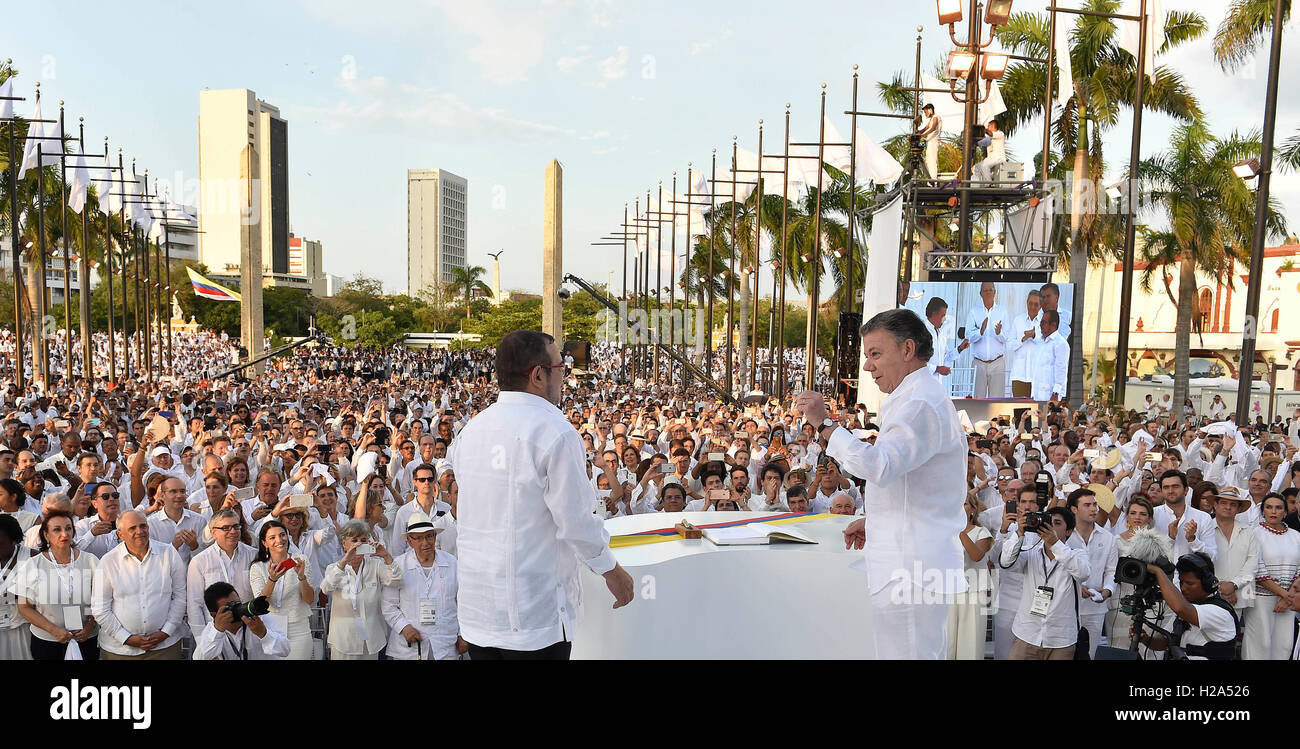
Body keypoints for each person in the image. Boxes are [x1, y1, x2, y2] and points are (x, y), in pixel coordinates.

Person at [795, 308, 967, 659]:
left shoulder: (920, 402)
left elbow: (880, 466)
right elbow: (914, 487)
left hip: (910, 570)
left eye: (876, 354)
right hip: (907, 563)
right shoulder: (914, 398)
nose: (868, 366)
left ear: (907, 350)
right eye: (867, 356)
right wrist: (878, 522)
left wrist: (824, 424)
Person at [450, 330, 633, 660]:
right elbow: (576, 523)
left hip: (480, 613)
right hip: (534, 617)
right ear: (538, 375)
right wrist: (613, 572)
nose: (565, 375)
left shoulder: (472, 431)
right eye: (562, 366)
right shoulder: (555, 432)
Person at [89, 509, 188, 660]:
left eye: (143, 526)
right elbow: (100, 609)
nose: (140, 531)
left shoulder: (168, 553)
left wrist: (166, 632)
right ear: (120, 535)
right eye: (132, 528)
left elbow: (180, 596)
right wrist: (126, 638)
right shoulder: (108, 561)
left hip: (165, 647)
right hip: (120, 650)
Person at [1000, 507, 1092, 659]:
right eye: (1048, 521)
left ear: (1069, 531)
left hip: (1061, 640)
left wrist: (1055, 543)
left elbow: (1083, 573)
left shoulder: (1077, 554)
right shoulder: (1030, 553)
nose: (1050, 526)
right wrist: (1019, 533)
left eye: (1056, 523)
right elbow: (1006, 562)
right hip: (1027, 634)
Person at [14, 510, 99, 660]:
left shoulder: (90, 561)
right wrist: (52, 629)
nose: (64, 534)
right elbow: (24, 607)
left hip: (85, 638)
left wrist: (90, 625)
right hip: (47, 640)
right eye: (57, 529)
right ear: (46, 535)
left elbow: (99, 599)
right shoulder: (33, 565)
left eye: (68, 528)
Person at [382, 512, 466, 660]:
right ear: (409, 541)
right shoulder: (399, 566)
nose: (425, 542)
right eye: (419, 538)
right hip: (409, 647)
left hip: (446, 643)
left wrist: (462, 635)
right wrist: (404, 627)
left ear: (435, 536)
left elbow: (464, 603)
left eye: (429, 536)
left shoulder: (452, 563)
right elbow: (388, 604)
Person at [1133, 553, 1239, 660]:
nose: (1183, 588)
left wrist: (1158, 571)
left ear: (1208, 582)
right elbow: (1165, 642)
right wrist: (1145, 639)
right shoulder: (1189, 607)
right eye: (1181, 582)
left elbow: (1180, 608)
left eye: (1189, 583)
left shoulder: (1219, 612)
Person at [321, 519, 400, 660]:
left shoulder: (376, 565)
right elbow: (326, 589)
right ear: (344, 543)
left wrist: (386, 556)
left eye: (363, 540)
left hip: (371, 637)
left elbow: (395, 581)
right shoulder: (334, 568)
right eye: (354, 539)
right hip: (343, 638)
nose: (358, 544)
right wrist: (344, 561)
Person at [249, 520, 317, 660]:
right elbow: (261, 604)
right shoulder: (258, 567)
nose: (279, 540)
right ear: (264, 543)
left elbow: (309, 600)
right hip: (270, 628)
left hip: (298, 628)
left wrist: (301, 577)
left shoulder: (301, 561)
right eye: (272, 537)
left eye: (282, 535)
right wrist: (272, 580)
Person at [1243, 494, 1300, 660]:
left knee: (1284, 644)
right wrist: (1284, 595)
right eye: (1269, 507)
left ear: (1285, 511)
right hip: (1261, 600)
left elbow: (1299, 570)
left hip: (1289, 601)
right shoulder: (1254, 534)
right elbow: (1257, 570)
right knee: (1260, 643)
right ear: (1263, 511)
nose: (1273, 511)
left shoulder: (1296, 536)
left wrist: (1287, 597)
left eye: (1278, 507)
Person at [186, 509, 257, 639]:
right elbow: (194, 605)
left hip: (249, 629)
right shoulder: (200, 561)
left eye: (236, 526)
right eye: (226, 528)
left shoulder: (253, 555)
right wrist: (202, 641)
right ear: (213, 532)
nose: (233, 531)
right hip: (215, 631)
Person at [1066, 487, 1118, 658]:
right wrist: (1075, 587)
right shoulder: (1064, 536)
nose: (1093, 508)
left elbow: (1111, 570)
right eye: (1087, 505)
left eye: (1095, 504)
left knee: (1091, 654)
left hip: (1096, 608)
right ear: (1074, 509)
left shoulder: (1108, 537)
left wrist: (1108, 590)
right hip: (1067, 607)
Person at [192, 581, 290, 660]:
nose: (237, 609)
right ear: (214, 615)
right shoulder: (212, 629)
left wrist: (263, 633)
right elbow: (199, 658)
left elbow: (285, 650)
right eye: (229, 608)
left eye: (238, 604)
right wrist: (218, 631)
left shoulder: (258, 619)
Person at [948, 493, 993, 660]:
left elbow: (976, 555)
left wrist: (959, 530)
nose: (960, 508)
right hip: (948, 591)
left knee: (970, 644)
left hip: (974, 593)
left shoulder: (982, 532)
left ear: (973, 509)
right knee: (948, 643)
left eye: (965, 504)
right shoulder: (945, 533)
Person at [1210, 487, 1260, 625]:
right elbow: (1202, 559)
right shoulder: (1206, 528)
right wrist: (1221, 587)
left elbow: (1252, 563)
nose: (1228, 507)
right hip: (1209, 593)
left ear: (1238, 509)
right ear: (1216, 504)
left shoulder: (1248, 531)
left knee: (1230, 637)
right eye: (1224, 503)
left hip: (1240, 594)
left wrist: (1233, 585)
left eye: (1233, 504)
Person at [962, 282, 1008, 399]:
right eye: (985, 290)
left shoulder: (1002, 311)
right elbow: (968, 336)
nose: (988, 293)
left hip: (997, 363)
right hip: (979, 363)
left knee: (997, 402)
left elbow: (1006, 338)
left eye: (990, 290)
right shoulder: (974, 311)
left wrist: (999, 333)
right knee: (977, 400)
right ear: (980, 293)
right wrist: (980, 332)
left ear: (995, 292)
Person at [0, 515, 29, 659]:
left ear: (13, 539)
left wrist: (10, 596)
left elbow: (40, 594)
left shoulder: (31, 557)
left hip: (24, 626)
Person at [1006, 290, 1042, 399]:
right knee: (1020, 412)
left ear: (1040, 306)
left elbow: (1047, 343)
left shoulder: (1044, 321)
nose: (1032, 307)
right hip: (1019, 376)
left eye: (1036, 304)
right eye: (1030, 303)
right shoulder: (1018, 320)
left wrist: (1034, 335)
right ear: (1026, 302)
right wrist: (1022, 339)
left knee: (1037, 413)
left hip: (1037, 377)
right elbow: (1009, 345)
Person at [1030, 310, 1069, 403]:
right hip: (1037, 396)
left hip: (1051, 397)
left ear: (1053, 325)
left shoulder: (1060, 343)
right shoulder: (1040, 342)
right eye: (1040, 322)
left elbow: (1061, 370)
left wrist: (1056, 394)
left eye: (1044, 322)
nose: (1041, 325)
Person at [916, 103, 942, 179]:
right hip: (930, 141)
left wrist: (923, 135)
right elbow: (925, 128)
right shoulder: (932, 119)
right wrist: (918, 133)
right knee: (928, 161)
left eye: (926, 112)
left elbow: (933, 128)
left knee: (932, 161)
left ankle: (933, 180)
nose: (925, 114)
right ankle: (929, 180)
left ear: (930, 110)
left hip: (933, 141)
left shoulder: (936, 117)